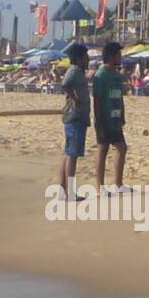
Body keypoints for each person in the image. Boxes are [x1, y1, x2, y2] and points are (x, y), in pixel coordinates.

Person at [92, 41, 127, 191]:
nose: (120, 57)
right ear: (111, 56)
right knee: (103, 149)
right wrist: (99, 121)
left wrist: (122, 115)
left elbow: (120, 97)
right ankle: (100, 186)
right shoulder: (101, 75)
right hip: (104, 118)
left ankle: (118, 184)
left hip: (116, 117)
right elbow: (97, 99)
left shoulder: (116, 76)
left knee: (121, 148)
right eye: (118, 54)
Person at [57, 42, 90, 200]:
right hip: (75, 117)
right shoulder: (75, 70)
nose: (88, 60)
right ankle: (69, 192)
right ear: (79, 58)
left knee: (68, 153)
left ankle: (63, 190)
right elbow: (65, 85)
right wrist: (75, 98)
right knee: (72, 155)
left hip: (76, 117)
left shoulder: (78, 72)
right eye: (86, 57)